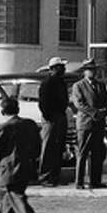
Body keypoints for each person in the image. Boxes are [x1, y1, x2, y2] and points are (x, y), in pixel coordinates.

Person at [70, 58, 107, 188]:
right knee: (82, 153)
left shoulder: (101, 85)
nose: (93, 72)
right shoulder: (78, 86)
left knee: (97, 153)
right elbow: (79, 104)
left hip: (99, 124)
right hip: (85, 124)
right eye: (90, 70)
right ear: (85, 72)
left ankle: (95, 181)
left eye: (94, 70)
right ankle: (79, 181)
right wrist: (94, 113)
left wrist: (103, 112)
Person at [37, 57, 69, 186]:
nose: (64, 69)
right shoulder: (47, 83)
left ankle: (55, 176)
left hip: (60, 116)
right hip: (51, 118)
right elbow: (43, 103)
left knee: (58, 148)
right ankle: (44, 176)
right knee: (48, 147)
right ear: (55, 68)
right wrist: (49, 117)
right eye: (61, 67)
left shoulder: (61, 82)